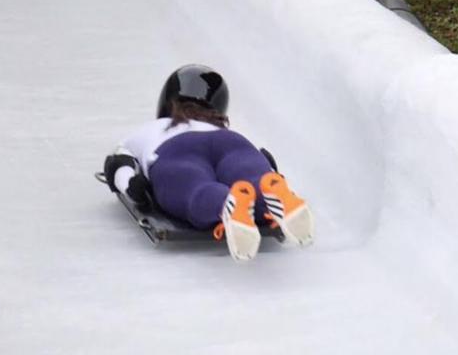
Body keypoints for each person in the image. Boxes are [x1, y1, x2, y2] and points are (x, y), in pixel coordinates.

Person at [103, 64, 314, 261]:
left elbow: (119, 162)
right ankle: (271, 193)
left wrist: (130, 186)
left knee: (196, 187)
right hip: (233, 144)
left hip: (176, 150)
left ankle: (226, 204)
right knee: (250, 173)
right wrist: (270, 171)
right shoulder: (224, 130)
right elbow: (263, 157)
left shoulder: (153, 128)